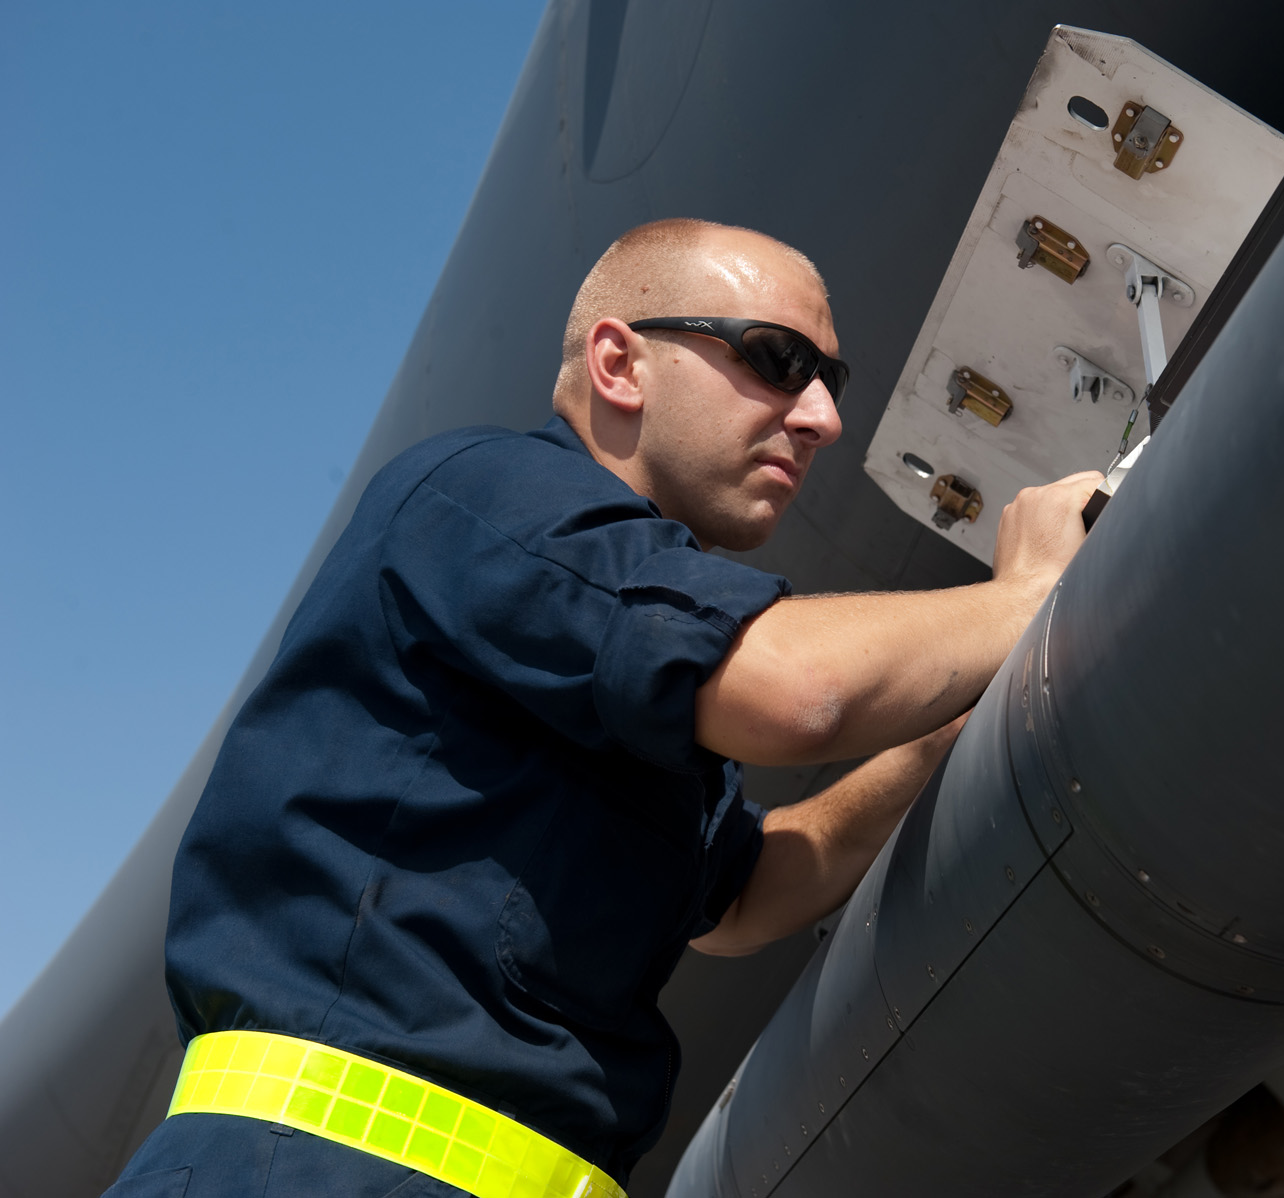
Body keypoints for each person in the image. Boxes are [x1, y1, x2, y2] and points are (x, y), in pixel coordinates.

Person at [105, 218, 1099, 1198]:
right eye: (776, 359)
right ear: (620, 364)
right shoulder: (491, 495)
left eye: (828, 384)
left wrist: (946, 737)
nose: (821, 419)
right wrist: (1028, 595)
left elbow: (741, 903)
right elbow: (797, 691)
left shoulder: (621, 664)